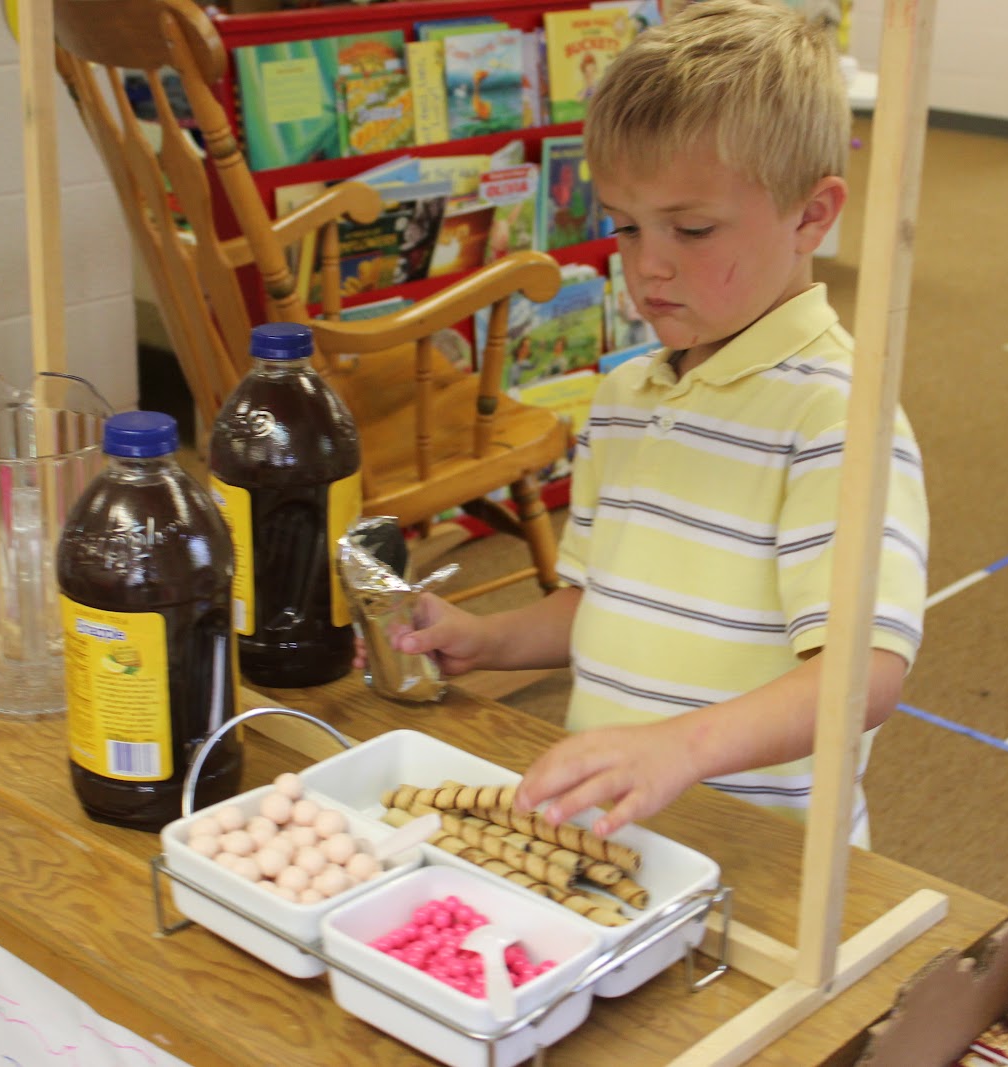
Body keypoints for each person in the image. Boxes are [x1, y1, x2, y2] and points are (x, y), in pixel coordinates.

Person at [388, 0, 928, 847]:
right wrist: (486, 640)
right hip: (625, 836)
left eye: (693, 228)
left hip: (768, 858)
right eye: (625, 227)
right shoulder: (628, 395)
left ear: (812, 216)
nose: (648, 265)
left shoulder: (837, 413)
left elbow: (864, 675)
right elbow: (599, 603)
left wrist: (683, 745)